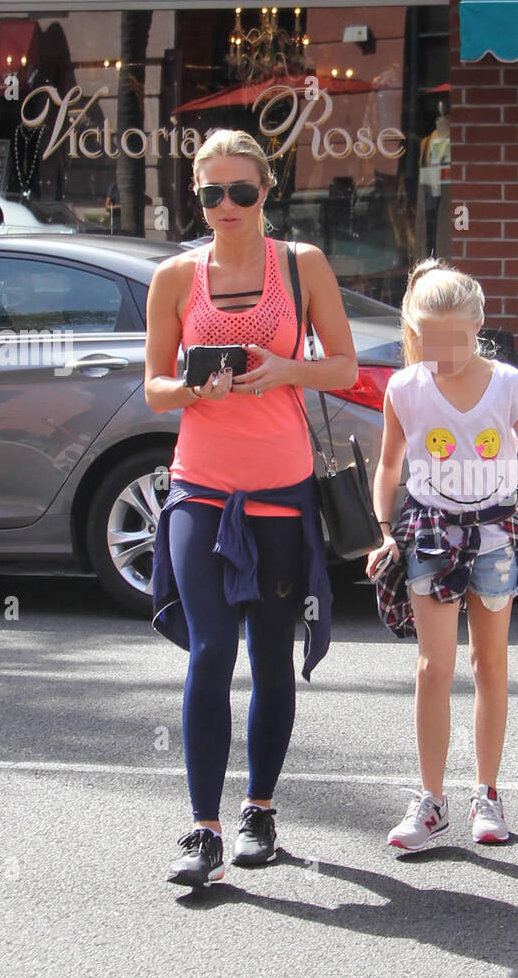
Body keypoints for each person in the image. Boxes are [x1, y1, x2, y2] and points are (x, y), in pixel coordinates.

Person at [144, 129, 358, 887]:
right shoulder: (175, 276)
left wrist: (284, 370)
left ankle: (259, 810)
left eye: (241, 191)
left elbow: (345, 366)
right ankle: (202, 829)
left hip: (280, 488)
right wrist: (192, 388)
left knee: (270, 654)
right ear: (196, 195)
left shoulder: (301, 265)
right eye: (211, 193)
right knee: (211, 649)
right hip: (200, 484)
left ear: (267, 190)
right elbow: (154, 388)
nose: (226, 205)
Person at [364, 258, 518, 851]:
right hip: (431, 532)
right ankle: (431, 801)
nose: (444, 352)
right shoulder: (406, 389)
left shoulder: (508, 385)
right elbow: (389, 465)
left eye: (456, 339)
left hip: (496, 533)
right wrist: (385, 531)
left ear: (479, 327)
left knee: (490, 665)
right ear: (415, 330)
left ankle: (487, 794)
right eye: (431, 339)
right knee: (433, 667)